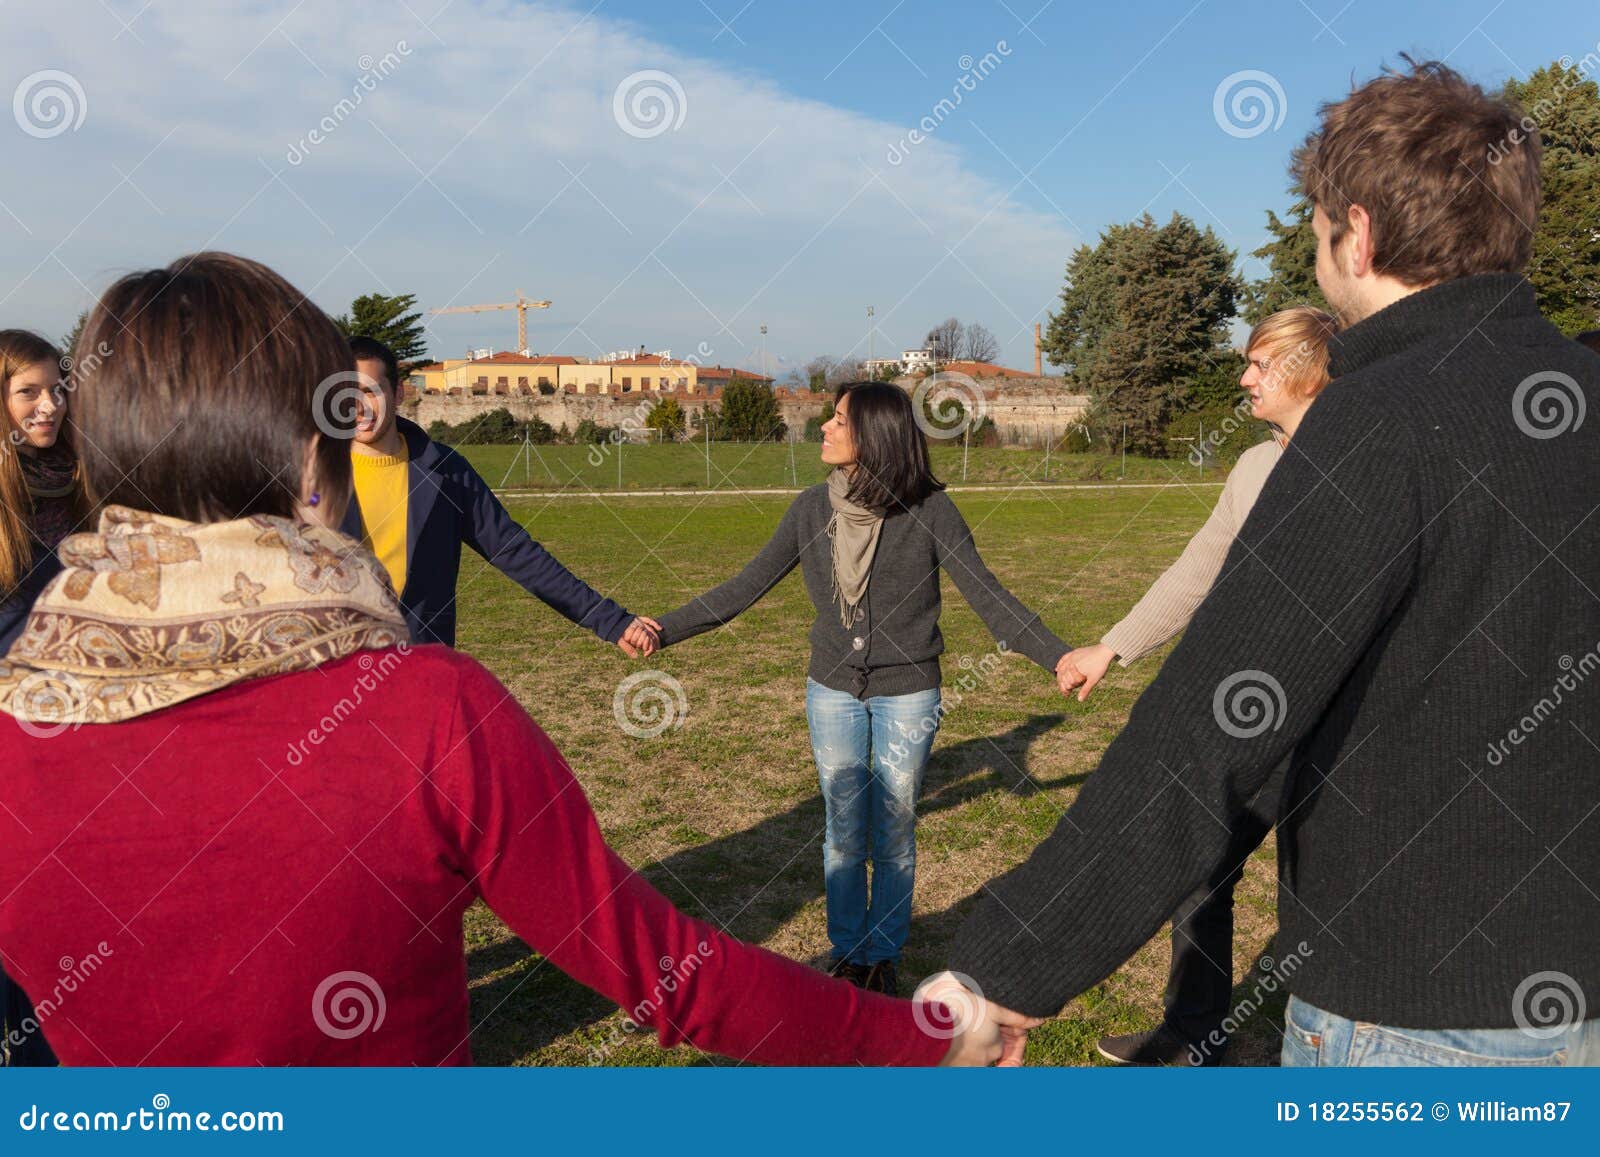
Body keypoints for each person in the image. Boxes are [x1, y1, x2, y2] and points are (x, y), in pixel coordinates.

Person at [0, 253, 1037, 1066]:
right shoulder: (431, 715)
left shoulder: (19, 726)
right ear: (298, 449)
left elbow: (520, 555)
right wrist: (921, 1038)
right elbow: (665, 973)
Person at [946, 59, 1600, 1066]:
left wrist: (1007, 966)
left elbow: (1213, 723)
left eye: (1315, 231)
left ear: (1358, 231)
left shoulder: (1379, 418)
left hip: (1421, 1020)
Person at [652, 381, 1072, 997]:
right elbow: (743, 588)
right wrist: (663, 630)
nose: (824, 427)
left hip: (909, 693)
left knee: (895, 826)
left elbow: (988, 596)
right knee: (844, 827)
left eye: (839, 420)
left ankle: (883, 952)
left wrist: (1056, 655)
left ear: (874, 435)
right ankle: (848, 949)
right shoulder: (809, 510)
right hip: (831, 691)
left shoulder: (929, 511)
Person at [1054, 306, 1337, 1065]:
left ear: (1310, 368)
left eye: (1260, 363)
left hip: (1341, 721)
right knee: (1201, 866)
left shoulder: (1365, 462)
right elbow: (1199, 567)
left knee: (1318, 891)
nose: (1244, 377)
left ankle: (1327, 1050)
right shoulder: (1253, 467)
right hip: (1253, 716)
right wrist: (1111, 648)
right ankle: (1192, 1031)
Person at [340, 335, 658, 656]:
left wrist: (611, 620)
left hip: (421, 669)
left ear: (397, 394)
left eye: (371, 391)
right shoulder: (310, 477)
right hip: (331, 674)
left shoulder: (446, 472)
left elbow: (518, 554)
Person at [0, 329, 90, 1068]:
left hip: (74, 712)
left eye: (56, 388)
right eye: (29, 390)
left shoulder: (83, 475)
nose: (48, 405)